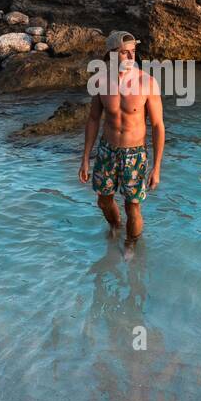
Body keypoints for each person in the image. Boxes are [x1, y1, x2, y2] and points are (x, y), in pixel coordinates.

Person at [79, 31, 164, 251]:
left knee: (132, 206)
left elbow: (157, 126)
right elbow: (94, 119)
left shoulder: (147, 83)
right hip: (107, 150)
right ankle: (115, 226)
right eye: (124, 53)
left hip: (135, 153)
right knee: (103, 200)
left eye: (133, 52)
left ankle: (131, 244)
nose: (130, 57)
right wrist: (85, 158)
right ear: (111, 55)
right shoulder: (100, 82)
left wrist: (156, 167)